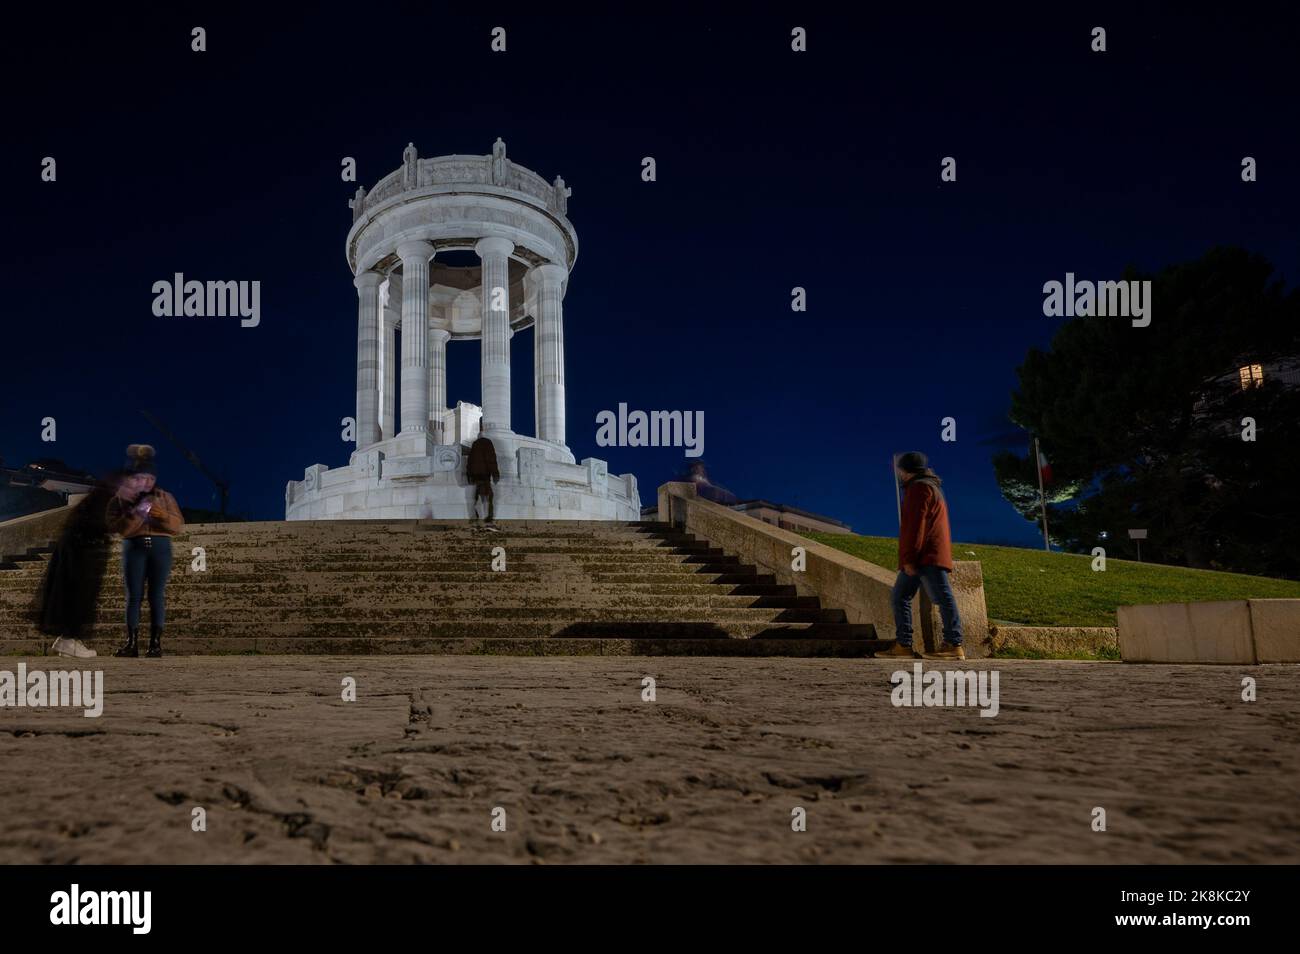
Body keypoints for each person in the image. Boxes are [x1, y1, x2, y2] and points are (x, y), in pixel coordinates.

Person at [881, 451, 965, 660]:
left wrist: (909, 558)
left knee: (942, 597)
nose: (899, 473)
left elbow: (915, 527)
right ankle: (904, 645)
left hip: (925, 556)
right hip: (927, 554)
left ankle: (954, 643)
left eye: (900, 469)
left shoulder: (919, 488)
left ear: (906, 471)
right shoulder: (929, 486)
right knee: (901, 596)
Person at [106, 445, 184, 658]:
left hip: (161, 548)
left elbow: (177, 526)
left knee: (156, 596)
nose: (146, 483)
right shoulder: (120, 499)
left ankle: (155, 644)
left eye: (150, 478)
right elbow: (121, 529)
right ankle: (131, 643)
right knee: (134, 596)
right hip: (134, 547)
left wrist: (163, 517)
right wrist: (138, 514)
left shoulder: (165, 496)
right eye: (141, 478)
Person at [41, 472, 124, 658]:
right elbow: (103, 525)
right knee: (78, 594)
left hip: (77, 550)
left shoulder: (98, 499)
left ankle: (67, 640)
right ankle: (68, 640)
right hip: (80, 552)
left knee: (75, 594)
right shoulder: (105, 500)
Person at [466, 427, 500, 531]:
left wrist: (469, 476)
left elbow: (470, 461)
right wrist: (495, 474)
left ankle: (475, 523)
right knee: (488, 498)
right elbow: (491, 459)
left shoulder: (475, 444)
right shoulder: (487, 443)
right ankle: (488, 523)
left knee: (475, 500)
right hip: (484, 476)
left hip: (475, 477)